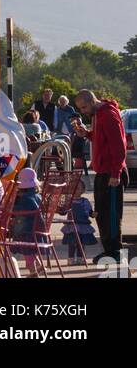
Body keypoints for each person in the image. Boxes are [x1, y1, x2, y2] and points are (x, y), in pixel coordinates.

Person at [73, 89, 127, 260]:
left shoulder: (109, 115)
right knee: (102, 214)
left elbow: (118, 146)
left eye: (83, 108)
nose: (83, 112)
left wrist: (116, 173)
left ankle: (115, 252)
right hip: (103, 171)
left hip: (111, 172)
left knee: (110, 214)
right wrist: (87, 134)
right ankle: (110, 250)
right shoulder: (98, 115)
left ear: (91, 102)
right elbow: (101, 138)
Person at [10, 167, 42, 273]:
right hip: (38, 229)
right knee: (27, 241)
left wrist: (12, 208)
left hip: (26, 231)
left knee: (21, 236)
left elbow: (17, 213)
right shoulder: (37, 196)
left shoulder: (25, 200)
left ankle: (32, 268)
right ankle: (37, 263)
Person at [61, 179, 98, 265]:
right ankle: (70, 258)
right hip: (71, 226)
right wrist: (60, 209)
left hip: (83, 226)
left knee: (81, 243)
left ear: (83, 190)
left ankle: (80, 257)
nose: (74, 190)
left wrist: (93, 214)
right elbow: (63, 212)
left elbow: (89, 212)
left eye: (77, 188)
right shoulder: (68, 201)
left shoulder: (85, 201)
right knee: (72, 242)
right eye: (72, 188)